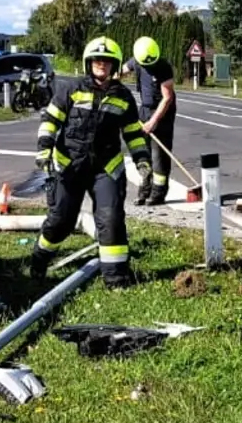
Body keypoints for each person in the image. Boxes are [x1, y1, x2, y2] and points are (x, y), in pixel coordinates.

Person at [32, 35, 152, 287]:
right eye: (97, 60)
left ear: (115, 65)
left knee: (110, 219)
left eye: (107, 61)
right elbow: (50, 121)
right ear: (89, 63)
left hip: (105, 168)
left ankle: (116, 280)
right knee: (61, 221)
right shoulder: (70, 90)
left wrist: (142, 160)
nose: (102, 64)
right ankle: (40, 258)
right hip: (69, 166)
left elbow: (133, 132)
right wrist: (44, 149)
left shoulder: (123, 97)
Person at [127, 36, 179, 205]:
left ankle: (158, 193)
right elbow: (121, 71)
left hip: (162, 112)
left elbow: (167, 97)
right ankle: (144, 190)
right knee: (144, 153)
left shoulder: (163, 67)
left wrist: (154, 121)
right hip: (145, 109)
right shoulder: (137, 61)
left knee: (159, 155)